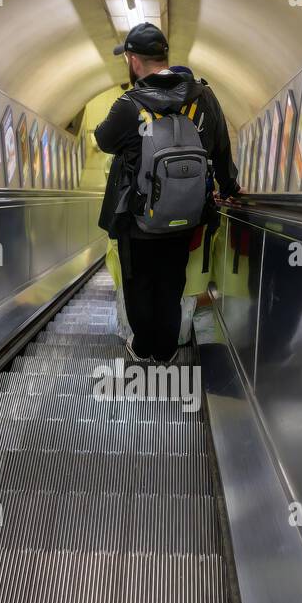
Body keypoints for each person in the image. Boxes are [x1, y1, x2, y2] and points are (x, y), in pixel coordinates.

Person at [95, 23, 240, 363]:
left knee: (138, 284)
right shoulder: (204, 96)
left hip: (138, 217)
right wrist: (230, 187)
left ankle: (144, 349)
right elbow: (221, 148)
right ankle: (168, 352)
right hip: (185, 216)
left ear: (133, 61)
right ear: (164, 55)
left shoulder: (129, 104)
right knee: (172, 283)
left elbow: (104, 140)